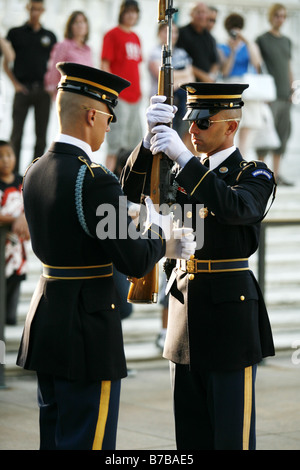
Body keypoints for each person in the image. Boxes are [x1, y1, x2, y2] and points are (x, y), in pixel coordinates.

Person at [16, 62, 195, 450]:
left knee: (57, 437)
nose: (110, 125)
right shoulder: (92, 178)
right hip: (86, 330)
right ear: (92, 114)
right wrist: (161, 235)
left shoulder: (34, 170)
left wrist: (147, 147)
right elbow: (133, 259)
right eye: (109, 116)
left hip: (47, 320)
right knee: (89, 440)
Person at [121, 83, 276, 450]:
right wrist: (146, 145)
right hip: (183, 311)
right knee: (189, 437)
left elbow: (237, 209)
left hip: (229, 318)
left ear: (231, 127)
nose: (192, 130)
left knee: (229, 436)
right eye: (190, 121)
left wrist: (185, 161)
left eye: (203, 123)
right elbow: (127, 193)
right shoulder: (180, 171)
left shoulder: (254, 174)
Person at [3, 0, 56, 172]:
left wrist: (52, 88)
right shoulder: (15, 33)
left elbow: (54, 64)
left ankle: (35, 173)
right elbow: (6, 62)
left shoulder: (50, 35)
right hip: (22, 90)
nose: (35, 12)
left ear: (43, 10)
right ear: (28, 8)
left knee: (41, 136)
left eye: (39, 9)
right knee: (16, 134)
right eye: (33, 9)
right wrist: (15, 84)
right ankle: (13, 173)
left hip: (42, 90)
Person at [101, 0, 143, 172]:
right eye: (128, 11)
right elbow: (105, 64)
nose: (131, 15)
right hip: (120, 97)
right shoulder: (112, 34)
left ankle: (127, 185)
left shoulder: (135, 37)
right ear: (122, 13)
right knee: (116, 145)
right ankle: (106, 179)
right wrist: (111, 93)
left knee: (135, 143)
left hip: (135, 98)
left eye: (135, 12)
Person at [256, 4, 294, 185]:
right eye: (277, 16)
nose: (280, 19)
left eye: (283, 16)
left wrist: (292, 90)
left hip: (285, 96)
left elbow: (288, 67)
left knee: (282, 136)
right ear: (271, 17)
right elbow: (258, 67)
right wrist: (262, 94)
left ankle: (276, 176)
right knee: (265, 137)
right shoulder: (262, 39)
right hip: (269, 97)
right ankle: (262, 176)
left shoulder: (286, 41)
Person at [218, 13, 263, 158]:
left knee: (247, 127)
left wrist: (247, 42)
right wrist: (232, 51)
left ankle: (242, 157)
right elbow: (225, 71)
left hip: (247, 89)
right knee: (230, 125)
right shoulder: (223, 47)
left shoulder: (249, 46)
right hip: (230, 87)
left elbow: (257, 64)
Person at [148, 23, 194, 152]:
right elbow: (161, 76)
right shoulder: (155, 52)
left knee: (182, 138)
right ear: (159, 33)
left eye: (174, 32)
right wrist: (182, 75)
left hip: (182, 103)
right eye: (167, 32)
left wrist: (175, 78)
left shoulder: (182, 53)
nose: (171, 35)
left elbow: (191, 78)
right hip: (163, 104)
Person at [0, 140, 30, 325]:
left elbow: (31, 205)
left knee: (15, 283)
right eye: (1, 156)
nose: (5, 160)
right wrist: (17, 219)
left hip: (18, 250)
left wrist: (25, 217)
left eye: (9, 155)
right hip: (2, 249)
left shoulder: (22, 181)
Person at [44, 11, 93, 99]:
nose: (80, 25)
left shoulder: (87, 49)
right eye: (76, 22)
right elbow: (54, 70)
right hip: (67, 94)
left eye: (83, 22)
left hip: (84, 95)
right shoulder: (64, 45)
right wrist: (54, 90)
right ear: (70, 26)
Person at [176, 2, 219, 83]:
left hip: (206, 84)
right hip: (186, 84)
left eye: (204, 12)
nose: (202, 16)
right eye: (198, 12)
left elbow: (215, 61)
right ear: (191, 14)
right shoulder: (181, 33)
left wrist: (211, 77)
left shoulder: (210, 38)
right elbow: (181, 61)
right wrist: (203, 76)